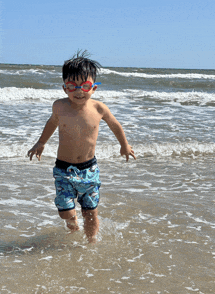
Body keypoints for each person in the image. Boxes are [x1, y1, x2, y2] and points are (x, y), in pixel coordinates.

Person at [27, 50, 136, 243]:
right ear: (64, 88)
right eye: (72, 85)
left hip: (89, 170)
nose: (79, 91)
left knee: (90, 212)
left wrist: (124, 145)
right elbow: (52, 123)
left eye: (84, 86)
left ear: (93, 88)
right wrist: (41, 142)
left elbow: (115, 125)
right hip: (63, 169)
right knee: (65, 212)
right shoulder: (59, 107)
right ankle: (72, 224)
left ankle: (91, 242)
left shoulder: (99, 108)